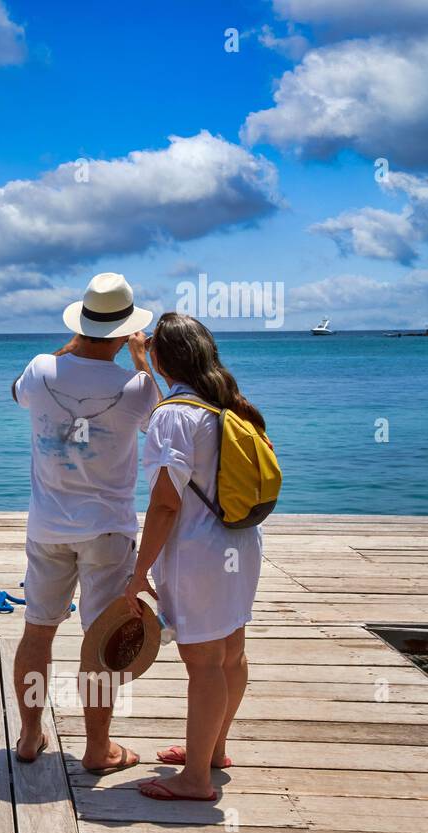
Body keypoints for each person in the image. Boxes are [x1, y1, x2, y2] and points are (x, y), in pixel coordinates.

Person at [12, 273, 159, 774]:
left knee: (38, 633)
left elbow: (18, 391)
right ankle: (98, 749)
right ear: (126, 332)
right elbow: (161, 423)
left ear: (81, 325)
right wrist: (141, 362)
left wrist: (73, 345)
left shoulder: (39, 369)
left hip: (48, 527)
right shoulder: (137, 387)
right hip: (109, 530)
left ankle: (30, 736)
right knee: (100, 639)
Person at [124, 311, 265, 801]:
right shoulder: (226, 404)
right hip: (240, 542)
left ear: (166, 359)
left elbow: (165, 503)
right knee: (231, 652)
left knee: (202, 664)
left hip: (199, 554)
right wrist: (144, 361)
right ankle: (214, 749)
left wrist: (138, 573)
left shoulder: (172, 416)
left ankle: (196, 780)